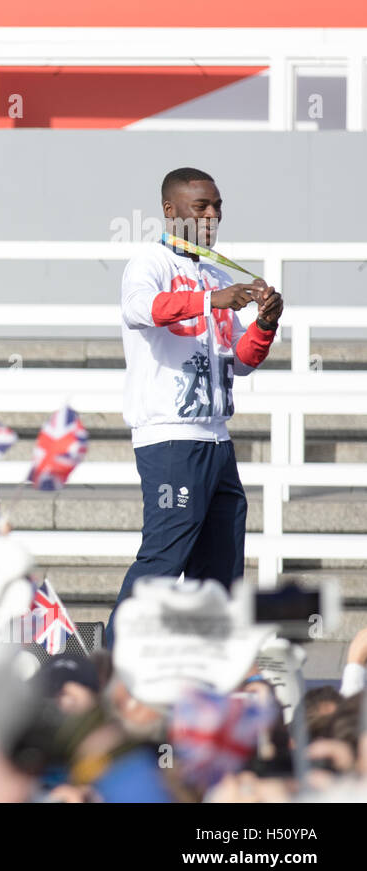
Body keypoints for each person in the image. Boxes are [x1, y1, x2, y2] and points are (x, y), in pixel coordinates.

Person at [109, 167, 283, 642]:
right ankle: (113, 663)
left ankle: (211, 670)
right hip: (170, 438)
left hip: (217, 441)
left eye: (217, 206)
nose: (212, 215)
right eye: (200, 207)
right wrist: (212, 299)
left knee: (222, 569)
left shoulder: (215, 272)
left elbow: (240, 362)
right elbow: (139, 310)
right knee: (165, 558)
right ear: (170, 211)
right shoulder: (149, 261)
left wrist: (265, 325)